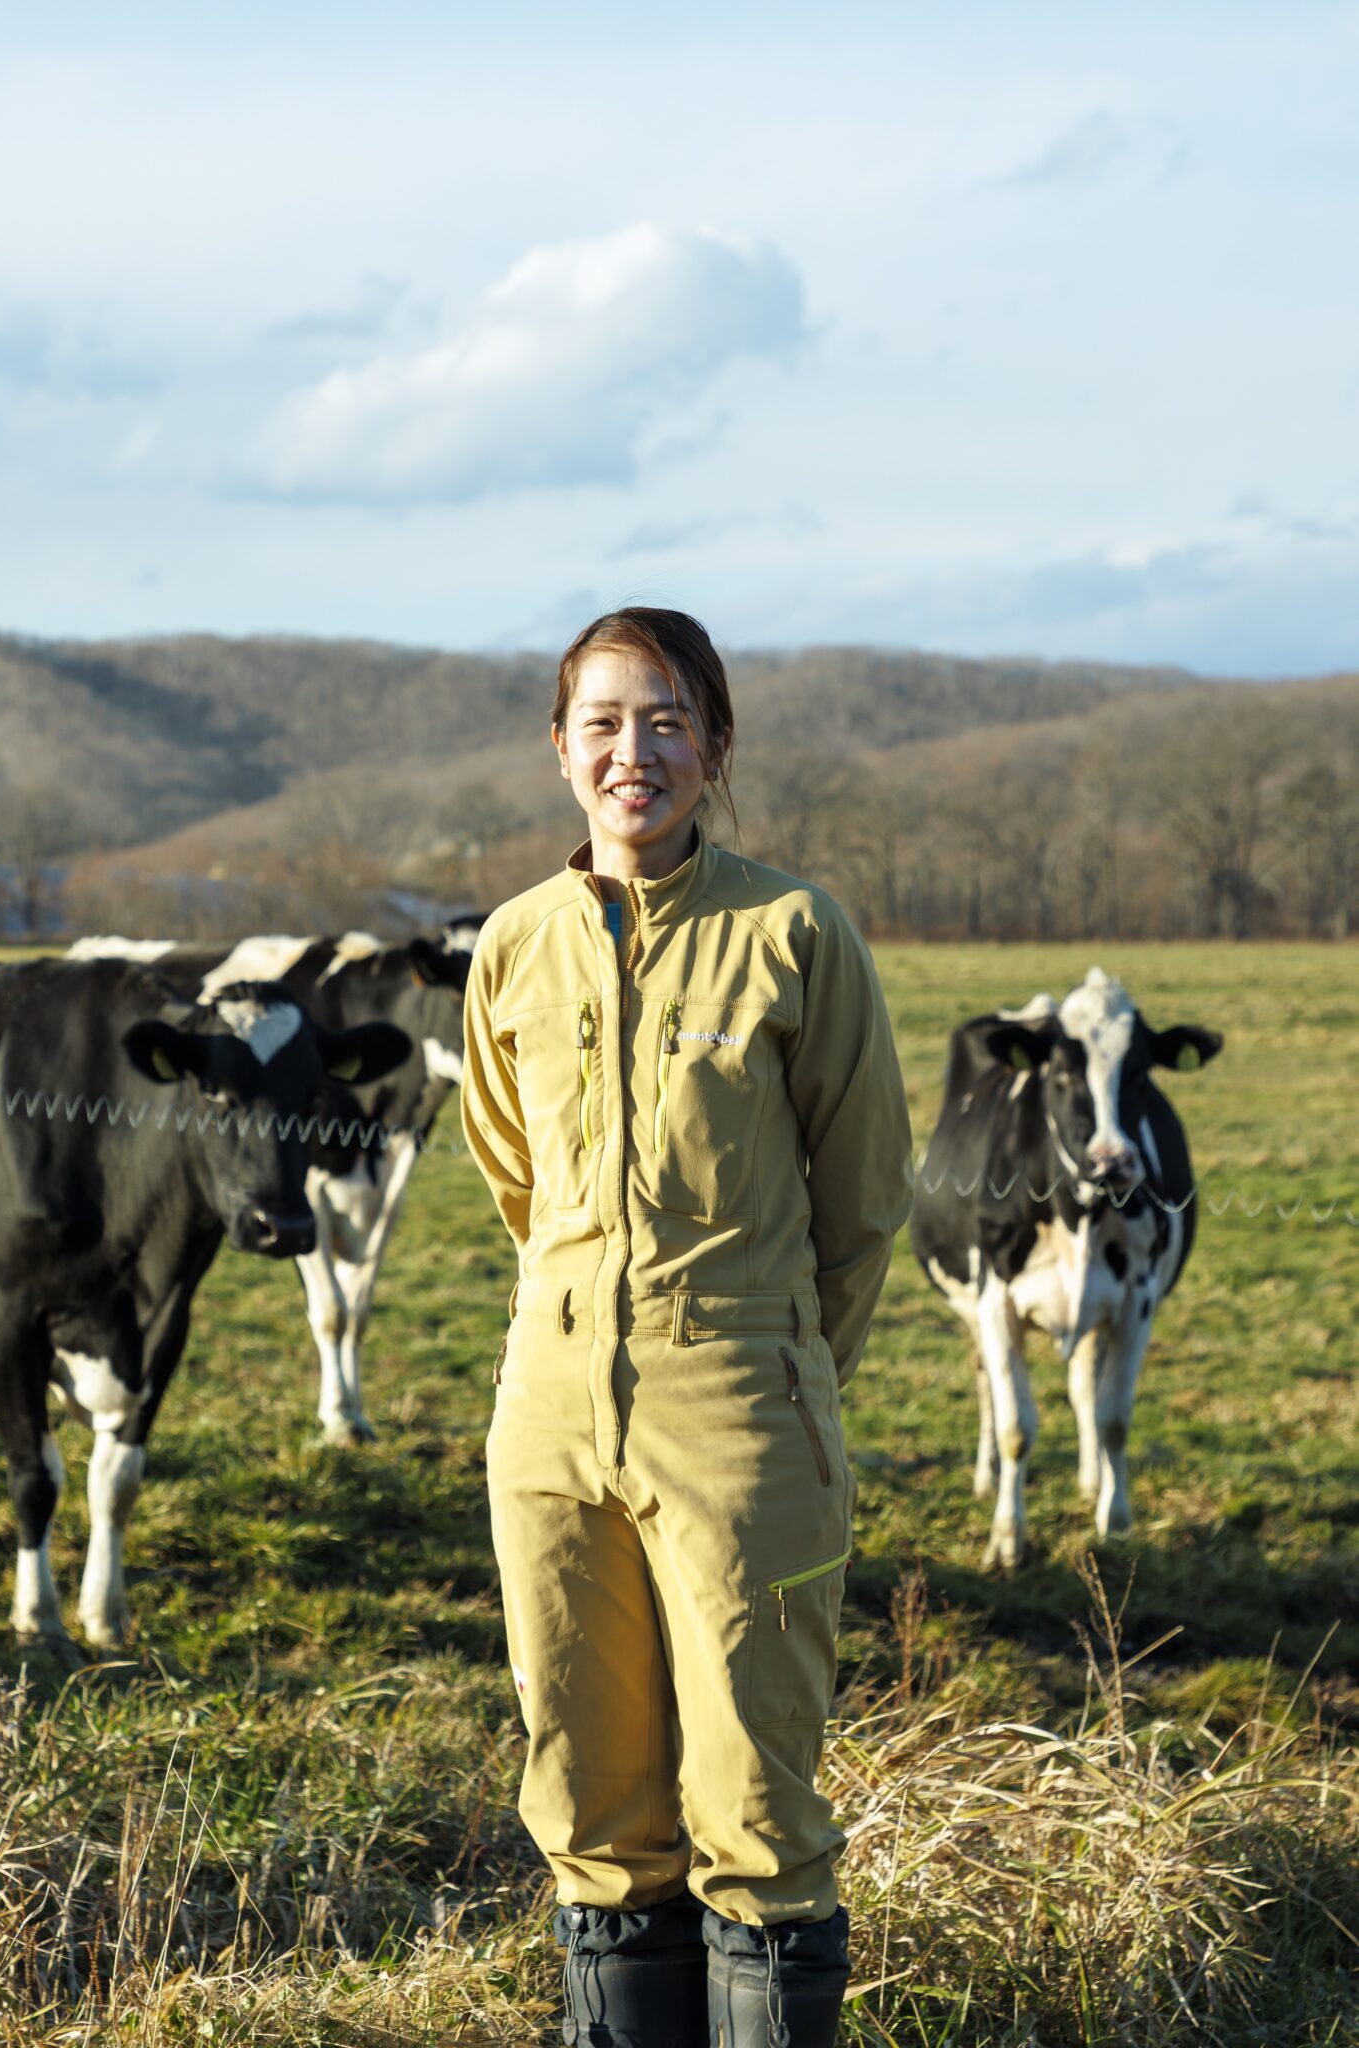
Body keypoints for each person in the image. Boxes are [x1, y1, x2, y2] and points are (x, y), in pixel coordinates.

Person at [459, 608, 913, 2048]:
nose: (632, 751)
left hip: (741, 1410)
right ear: (559, 750)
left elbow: (862, 1203)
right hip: (548, 1413)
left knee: (757, 1814)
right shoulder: (514, 946)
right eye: (602, 720)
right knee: (592, 1806)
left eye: (665, 720)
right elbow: (513, 1176)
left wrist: (775, 1380)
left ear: (715, 749)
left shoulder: (792, 932)